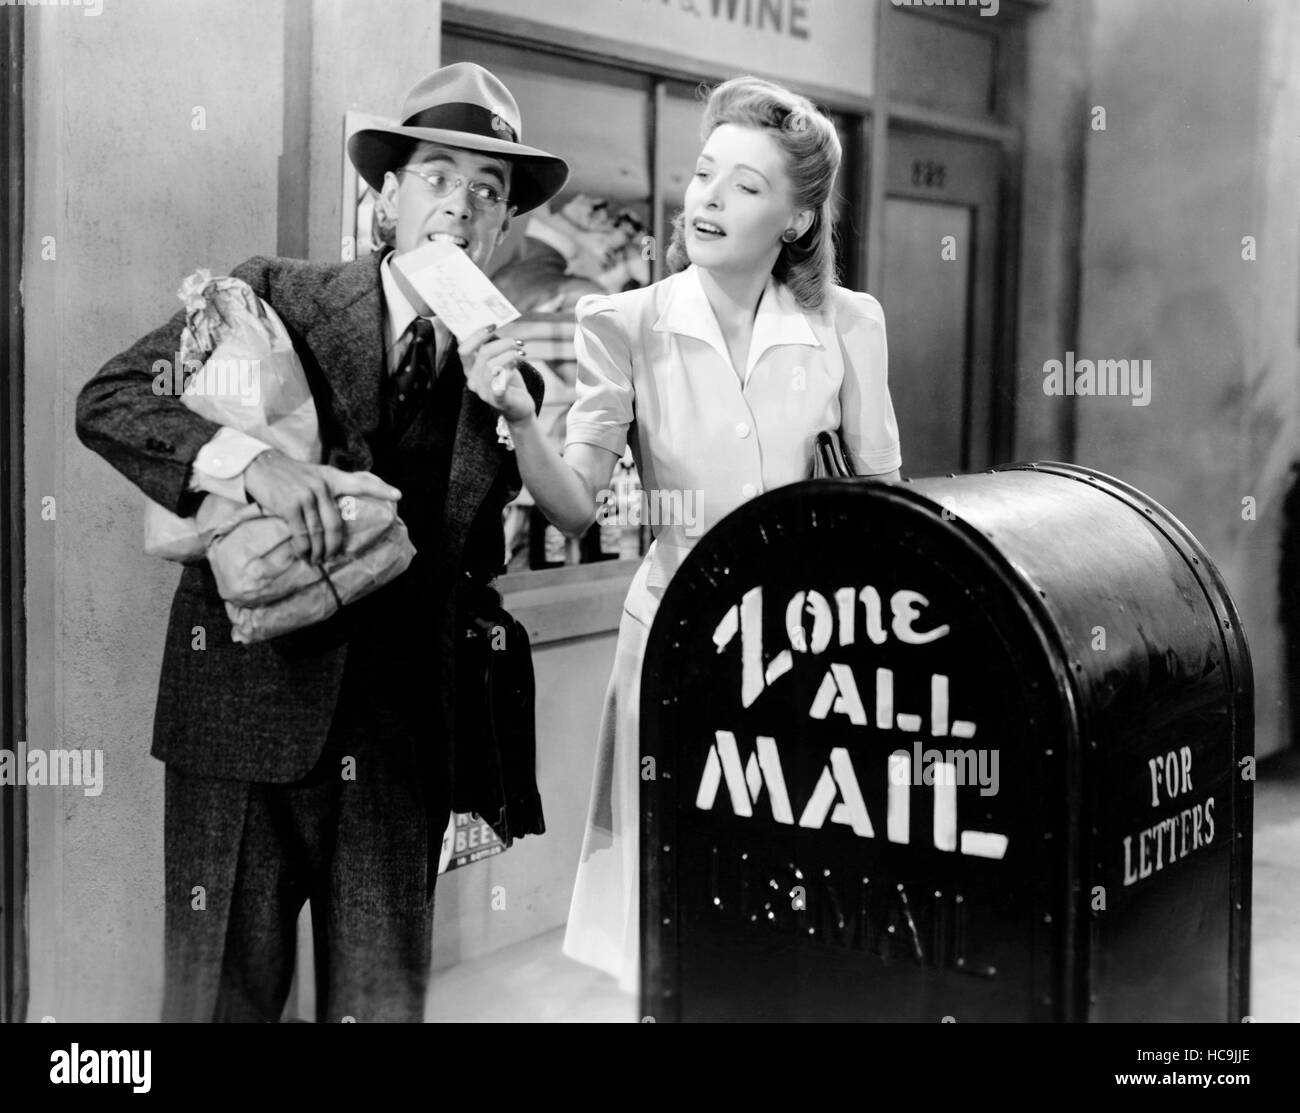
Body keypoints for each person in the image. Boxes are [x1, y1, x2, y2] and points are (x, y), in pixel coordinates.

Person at [75, 62, 569, 1022]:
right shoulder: (273, 295)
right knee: (221, 1002)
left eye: (487, 191)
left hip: (398, 753)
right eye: (435, 175)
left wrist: (512, 418)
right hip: (240, 724)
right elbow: (111, 402)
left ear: (505, 225)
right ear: (386, 198)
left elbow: (479, 569)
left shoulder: (511, 385)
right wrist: (248, 464)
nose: (459, 208)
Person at [462, 75, 902, 995]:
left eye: (745, 186)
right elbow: (576, 506)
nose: (708, 198)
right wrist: (521, 421)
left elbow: (880, 505)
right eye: (705, 175)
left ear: (795, 219)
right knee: (674, 902)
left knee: (796, 904)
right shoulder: (623, 323)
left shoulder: (849, 324)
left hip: (811, 658)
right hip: (678, 647)